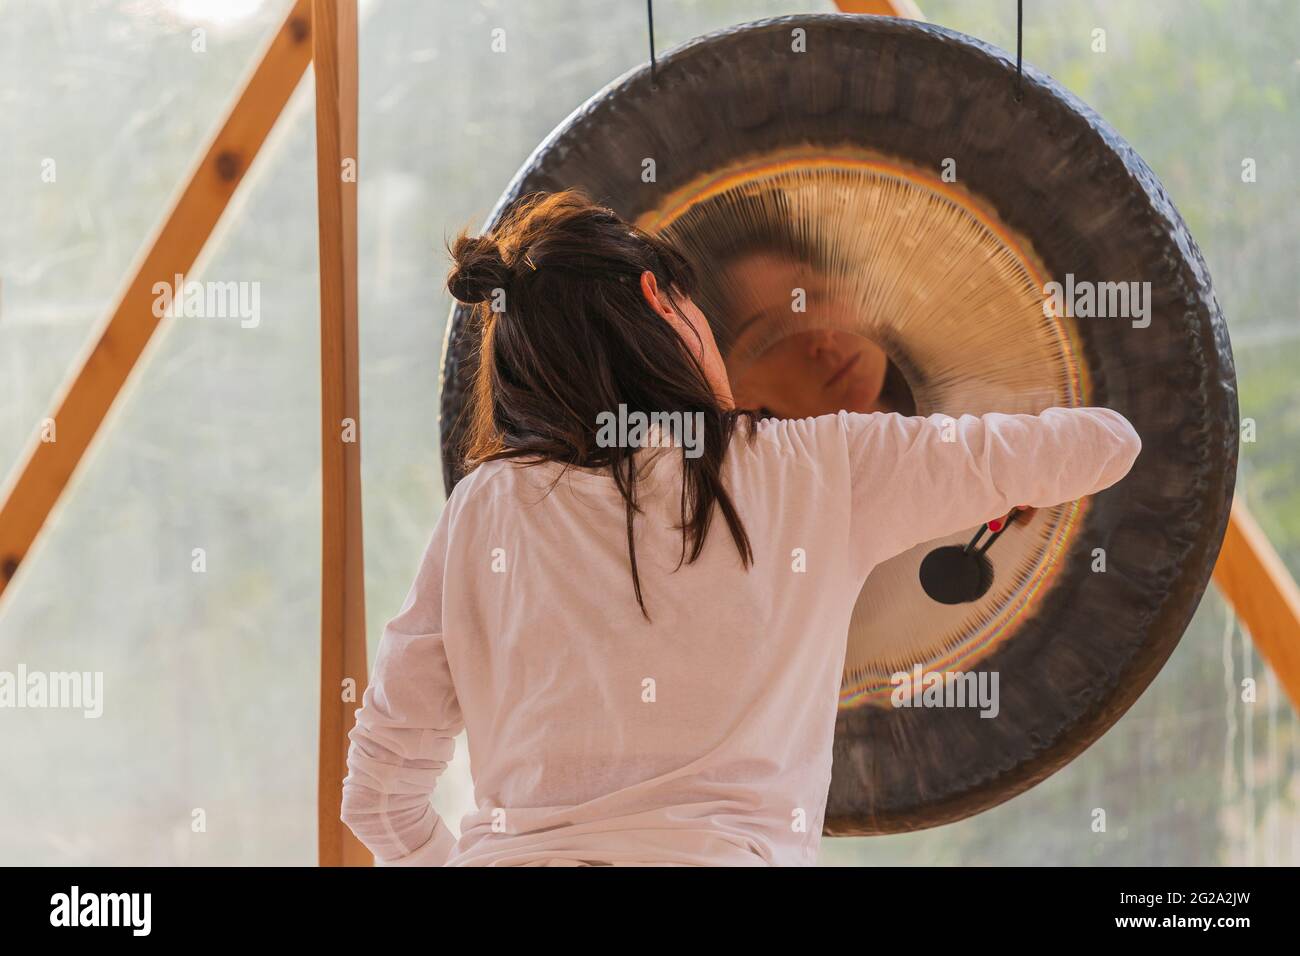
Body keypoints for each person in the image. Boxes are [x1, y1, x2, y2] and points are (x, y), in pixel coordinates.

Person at [340, 188, 1142, 866]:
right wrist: (969, 459)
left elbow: (376, 799)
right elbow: (1107, 444)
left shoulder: (482, 510)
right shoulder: (814, 466)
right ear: (660, 298)